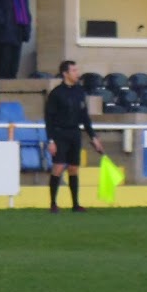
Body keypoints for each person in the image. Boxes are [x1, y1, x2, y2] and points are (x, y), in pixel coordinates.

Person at [44, 59, 103, 213]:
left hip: (75, 133)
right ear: (65, 73)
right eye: (74, 71)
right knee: (58, 167)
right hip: (59, 133)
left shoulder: (79, 92)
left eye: (77, 70)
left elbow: (85, 117)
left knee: (73, 168)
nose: (77, 73)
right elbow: (49, 119)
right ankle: (53, 203)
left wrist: (93, 137)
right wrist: (50, 140)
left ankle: (75, 204)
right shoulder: (56, 93)